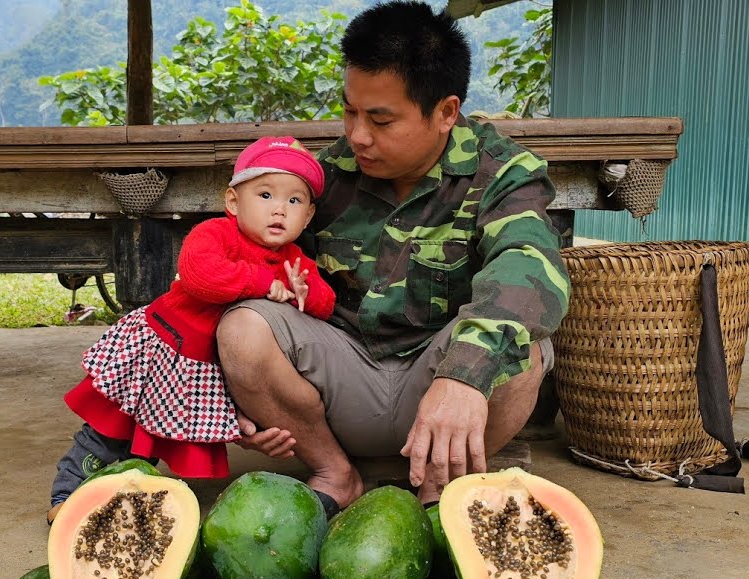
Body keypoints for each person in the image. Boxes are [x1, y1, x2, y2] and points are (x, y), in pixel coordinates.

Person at [217, 0, 570, 510]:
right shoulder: (323, 177)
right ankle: (334, 473)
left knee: (523, 350)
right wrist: (231, 399)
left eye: (380, 120)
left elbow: (529, 267)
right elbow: (242, 263)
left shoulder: (501, 172)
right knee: (241, 329)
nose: (358, 135)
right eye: (350, 111)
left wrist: (463, 373)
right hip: (340, 386)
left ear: (446, 112)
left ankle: (437, 492)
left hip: (440, 387)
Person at [46, 136, 335, 524]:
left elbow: (326, 301)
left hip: (203, 367)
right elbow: (201, 276)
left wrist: (305, 292)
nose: (279, 209)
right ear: (233, 202)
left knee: (148, 443)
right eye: (265, 195)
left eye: (294, 201)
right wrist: (263, 282)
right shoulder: (215, 233)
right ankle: (67, 494)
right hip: (163, 347)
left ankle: (121, 496)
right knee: (112, 430)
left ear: (308, 216)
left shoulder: (293, 260)